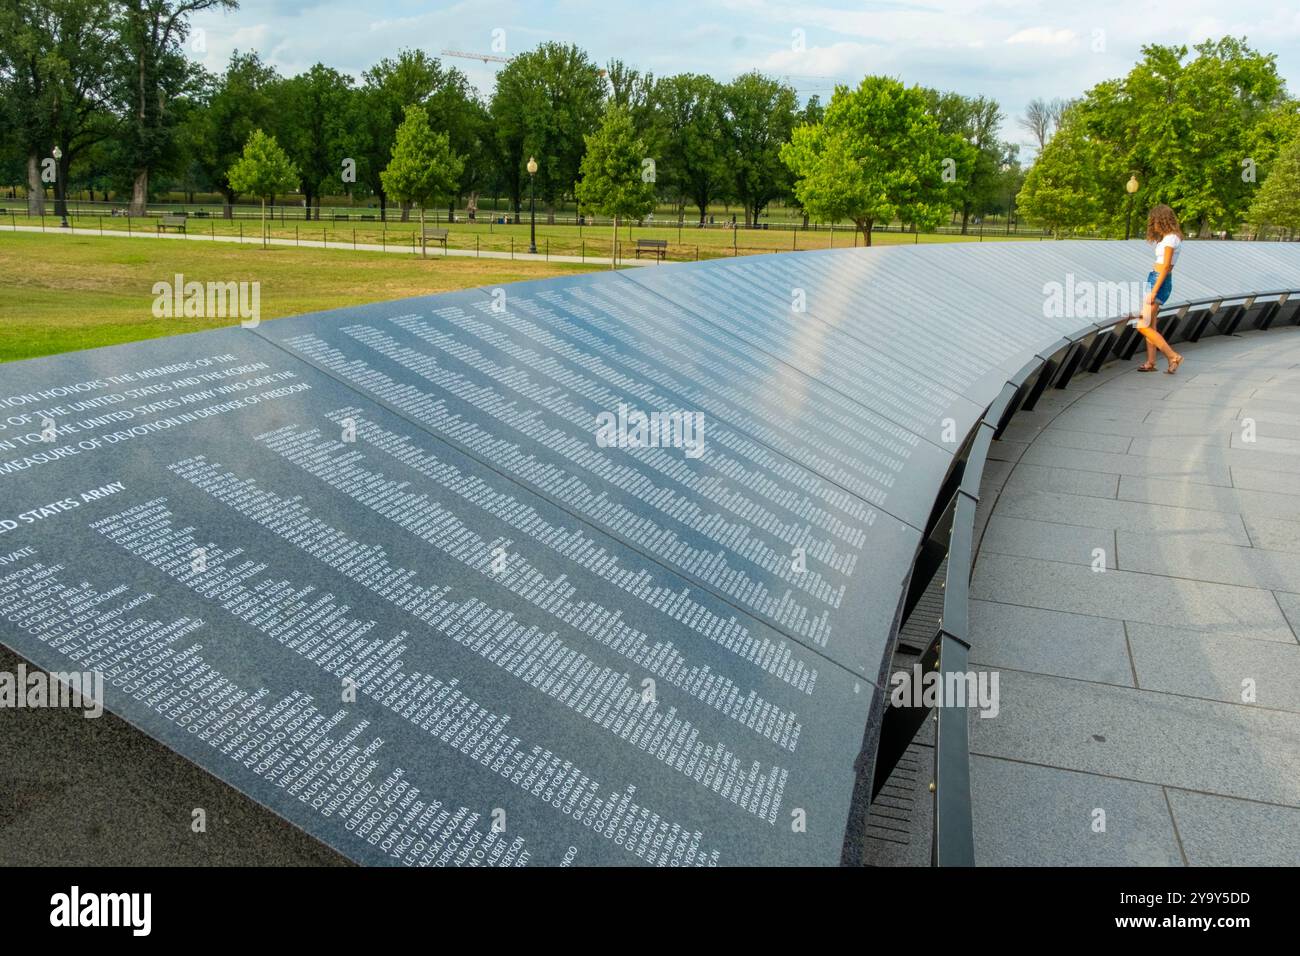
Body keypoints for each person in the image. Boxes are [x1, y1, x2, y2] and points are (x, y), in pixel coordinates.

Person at [1136, 204, 1184, 374]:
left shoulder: (1171, 239)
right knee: (1151, 324)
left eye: (1154, 221)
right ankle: (1151, 362)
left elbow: (1165, 267)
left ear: (1162, 220)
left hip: (1159, 281)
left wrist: (1154, 291)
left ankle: (1173, 356)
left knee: (1142, 325)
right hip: (1155, 278)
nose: (1153, 225)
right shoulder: (1169, 237)